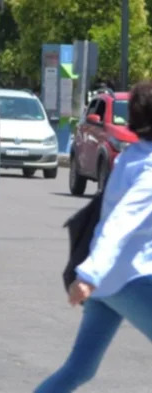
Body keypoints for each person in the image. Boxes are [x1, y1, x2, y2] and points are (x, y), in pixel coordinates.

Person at [35, 80, 152, 392]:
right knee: (79, 368)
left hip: (106, 283)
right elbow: (120, 222)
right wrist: (88, 275)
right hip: (128, 278)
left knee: (79, 368)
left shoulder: (133, 156)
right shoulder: (148, 168)